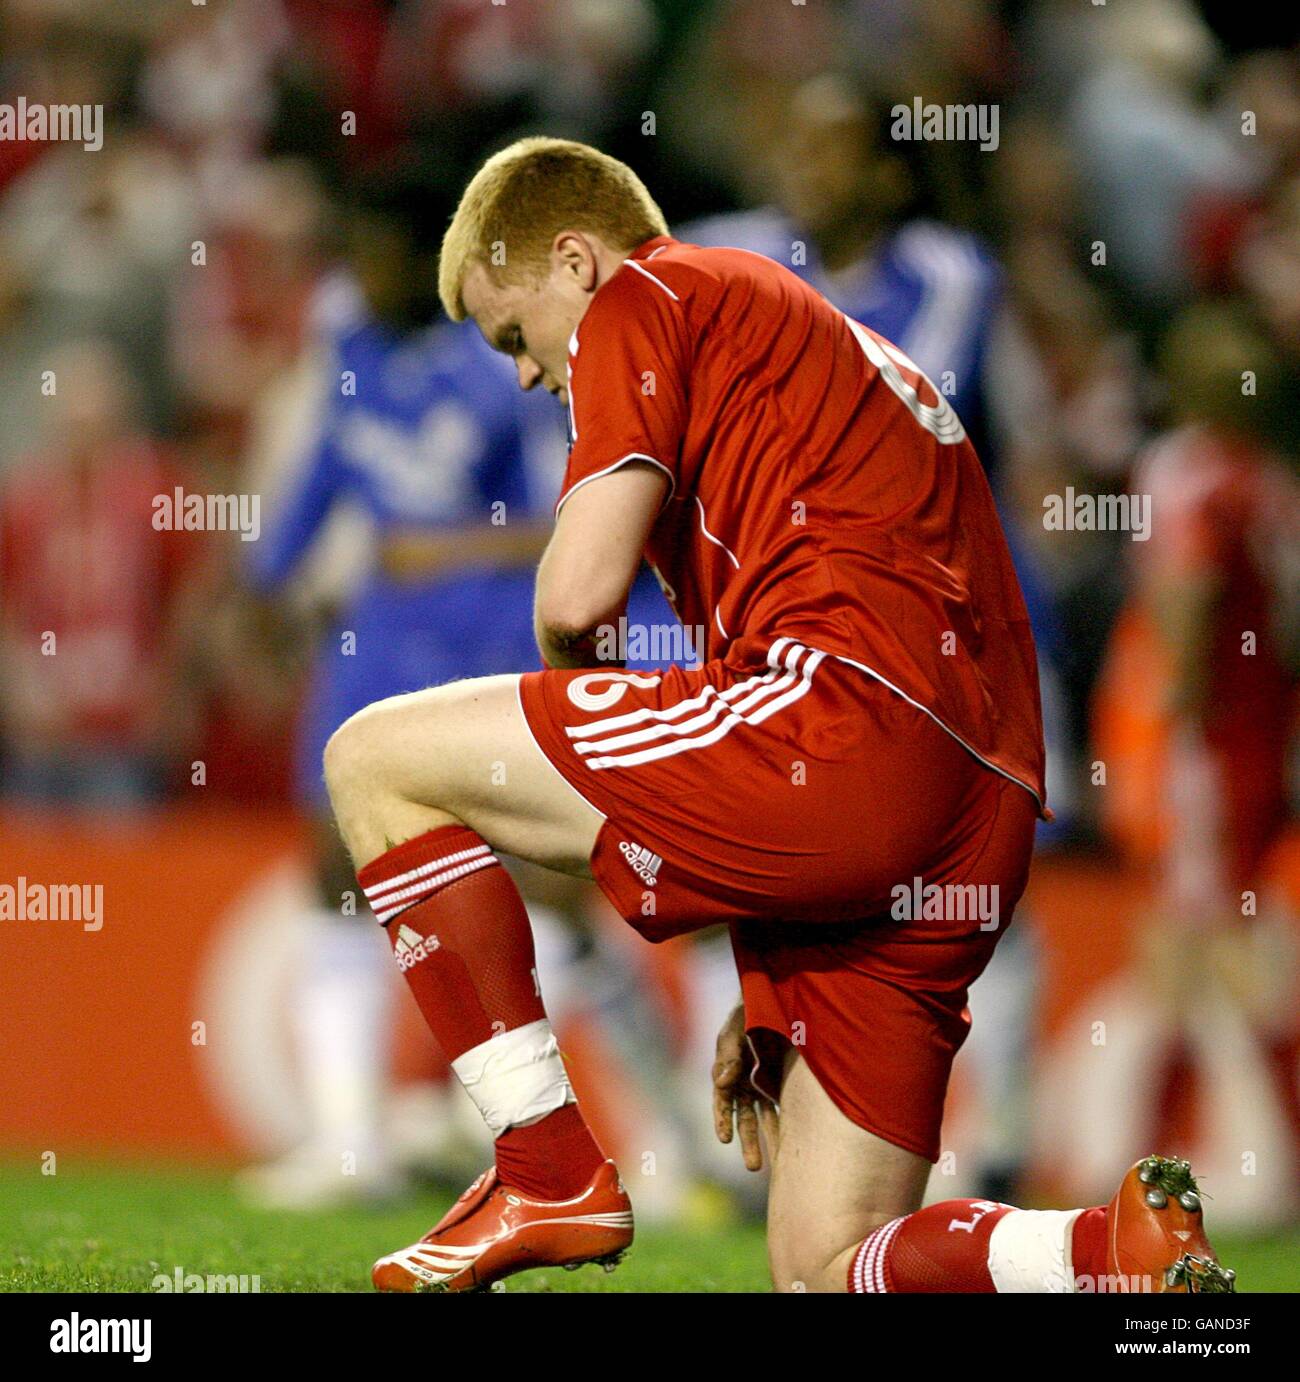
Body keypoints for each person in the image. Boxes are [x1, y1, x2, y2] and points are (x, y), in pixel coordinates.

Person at [321, 137, 1235, 1294]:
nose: (521, 374)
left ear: (572, 259)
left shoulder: (651, 291)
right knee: (822, 1266)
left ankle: (541, 1164)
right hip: (970, 802)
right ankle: (1111, 1251)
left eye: (512, 333)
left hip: (850, 721)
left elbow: (575, 593)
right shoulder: (805, 344)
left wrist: (571, 724)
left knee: (377, 759)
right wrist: (765, 982)